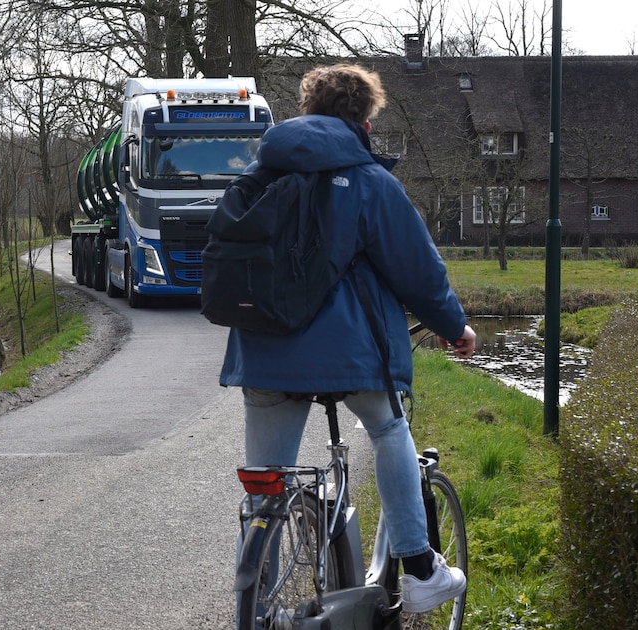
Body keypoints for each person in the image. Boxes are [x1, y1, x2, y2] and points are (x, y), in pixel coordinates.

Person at [220, 63, 477, 614]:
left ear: (307, 110)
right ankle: (421, 569)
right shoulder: (369, 181)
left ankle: (256, 592)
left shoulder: (258, 174)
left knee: (265, 487)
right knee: (388, 428)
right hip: (351, 354)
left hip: (262, 352)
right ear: (364, 115)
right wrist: (457, 328)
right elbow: (420, 273)